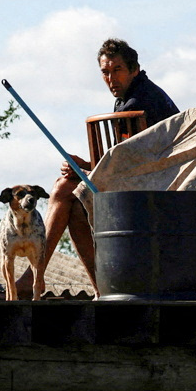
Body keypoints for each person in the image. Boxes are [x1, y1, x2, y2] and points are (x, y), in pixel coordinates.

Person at [35, 39, 178, 295]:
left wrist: (87, 170)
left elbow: (132, 167)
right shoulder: (131, 96)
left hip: (157, 194)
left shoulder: (138, 102)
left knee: (63, 189)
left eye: (117, 70)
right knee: (75, 210)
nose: (111, 78)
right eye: (105, 72)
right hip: (141, 183)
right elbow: (124, 162)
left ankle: (33, 278)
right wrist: (85, 166)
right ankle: (103, 291)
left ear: (134, 69)